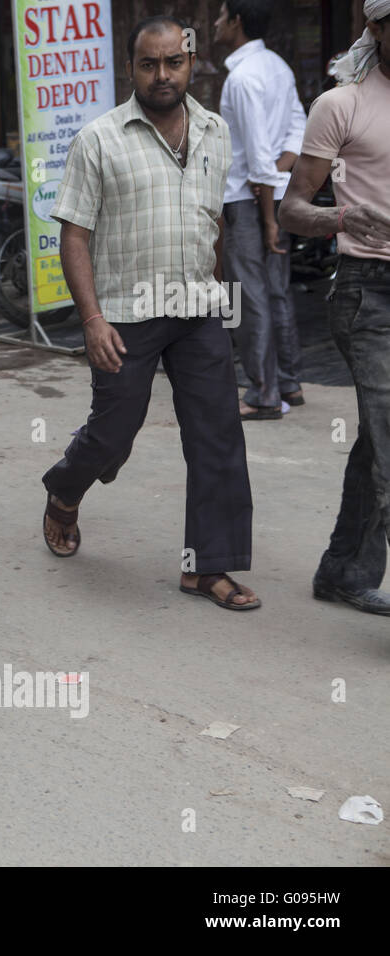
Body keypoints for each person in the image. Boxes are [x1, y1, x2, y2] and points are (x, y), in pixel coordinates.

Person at [41, 16, 259, 610]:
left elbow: (213, 221)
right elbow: (75, 235)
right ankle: (64, 490)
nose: (162, 75)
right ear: (130, 68)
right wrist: (91, 320)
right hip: (125, 312)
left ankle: (205, 567)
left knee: (217, 435)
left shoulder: (215, 131)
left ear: (191, 64)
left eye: (173, 62)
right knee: (114, 432)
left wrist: (217, 288)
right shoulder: (99, 138)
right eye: (148, 64)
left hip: (197, 307)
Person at [279, 0, 390, 616]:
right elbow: (291, 208)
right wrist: (344, 215)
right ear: (376, 27)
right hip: (365, 291)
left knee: (379, 439)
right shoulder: (339, 104)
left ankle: (344, 570)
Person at [213, 0, 308, 421]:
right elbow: (297, 134)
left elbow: (256, 156)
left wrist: (267, 213)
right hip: (274, 195)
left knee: (249, 297)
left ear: (236, 21)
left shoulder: (244, 77)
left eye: (220, 15)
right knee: (275, 290)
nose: (214, 23)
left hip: (250, 202)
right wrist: (275, 176)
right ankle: (288, 381)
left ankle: (264, 393)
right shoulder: (278, 68)